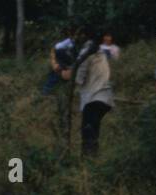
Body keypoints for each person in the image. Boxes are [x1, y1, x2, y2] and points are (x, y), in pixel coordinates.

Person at [75, 26, 113, 156]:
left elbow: (79, 78)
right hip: (105, 98)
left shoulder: (86, 52)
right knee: (94, 128)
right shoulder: (101, 52)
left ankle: (87, 159)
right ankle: (93, 158)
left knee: (88, 129)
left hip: (93, 97)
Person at [42, 26, 78, 94]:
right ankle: (46, 90)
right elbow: (54, 50)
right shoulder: (68, 42)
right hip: (64, 64)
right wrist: (54, 63)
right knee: (57, 69)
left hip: (73, 65)